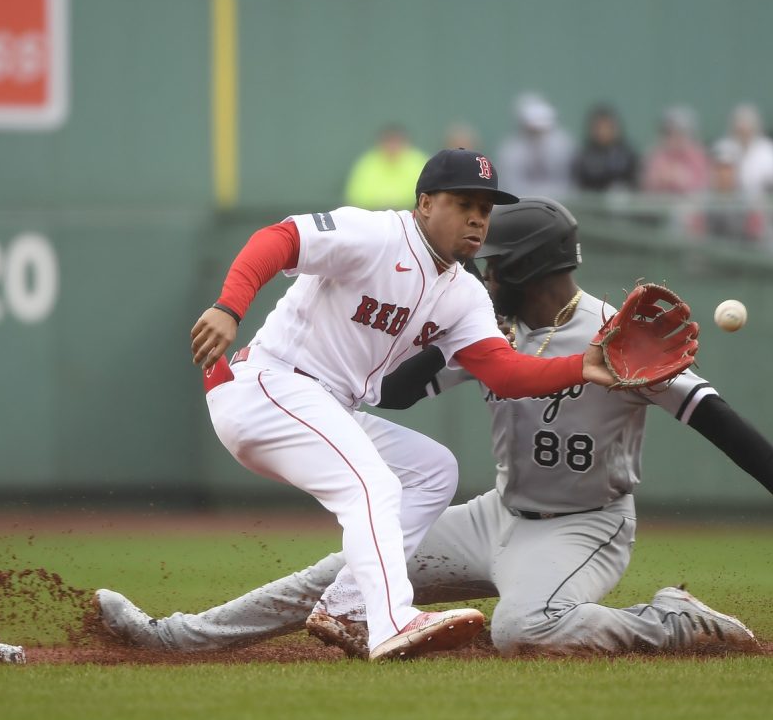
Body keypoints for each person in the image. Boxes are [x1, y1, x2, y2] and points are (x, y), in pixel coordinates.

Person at [97, 198, 773, 659]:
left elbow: (721, 422)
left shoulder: (624, 339)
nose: (482, 276)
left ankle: (666, 618)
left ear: (534, 274)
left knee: (522, 630)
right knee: (349, 567)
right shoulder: (488, 334)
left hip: (584, 528)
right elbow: (404, 394)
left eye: (497, 267)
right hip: (495, 515)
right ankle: (178, 636)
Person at [139, 150, 631, 662]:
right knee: (374, 484)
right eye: (463, 203)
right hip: (268, 387)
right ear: (424, 203)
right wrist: (228, 306)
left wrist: (582, 366)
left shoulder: (463, 293)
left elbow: (503, 371)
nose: (476, 219)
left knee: (434, 471)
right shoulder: (374, 235)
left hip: (326, 405)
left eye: (485, 210)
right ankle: (391, 619)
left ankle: (348, 603)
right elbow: (279, 239)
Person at [496, 92, 575, 200]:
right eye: (532, 130)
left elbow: (567, 182)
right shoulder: (510, 152)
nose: (538, 135)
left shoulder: (563, 146)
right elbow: (511, 185)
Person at [342, 124, 428, 210]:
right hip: (373, 217)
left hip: (411, 216)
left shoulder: (419, 162)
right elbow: (355, 198)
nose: (392, 146)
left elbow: (427, 196)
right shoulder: (367, 164)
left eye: (396, 142)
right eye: (389, 142)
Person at [570, 104, 638, 193]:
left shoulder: (627, 154)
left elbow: (633, 182)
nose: (603, 132)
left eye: (607, 127)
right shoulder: (584, 156)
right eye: (599, 127)